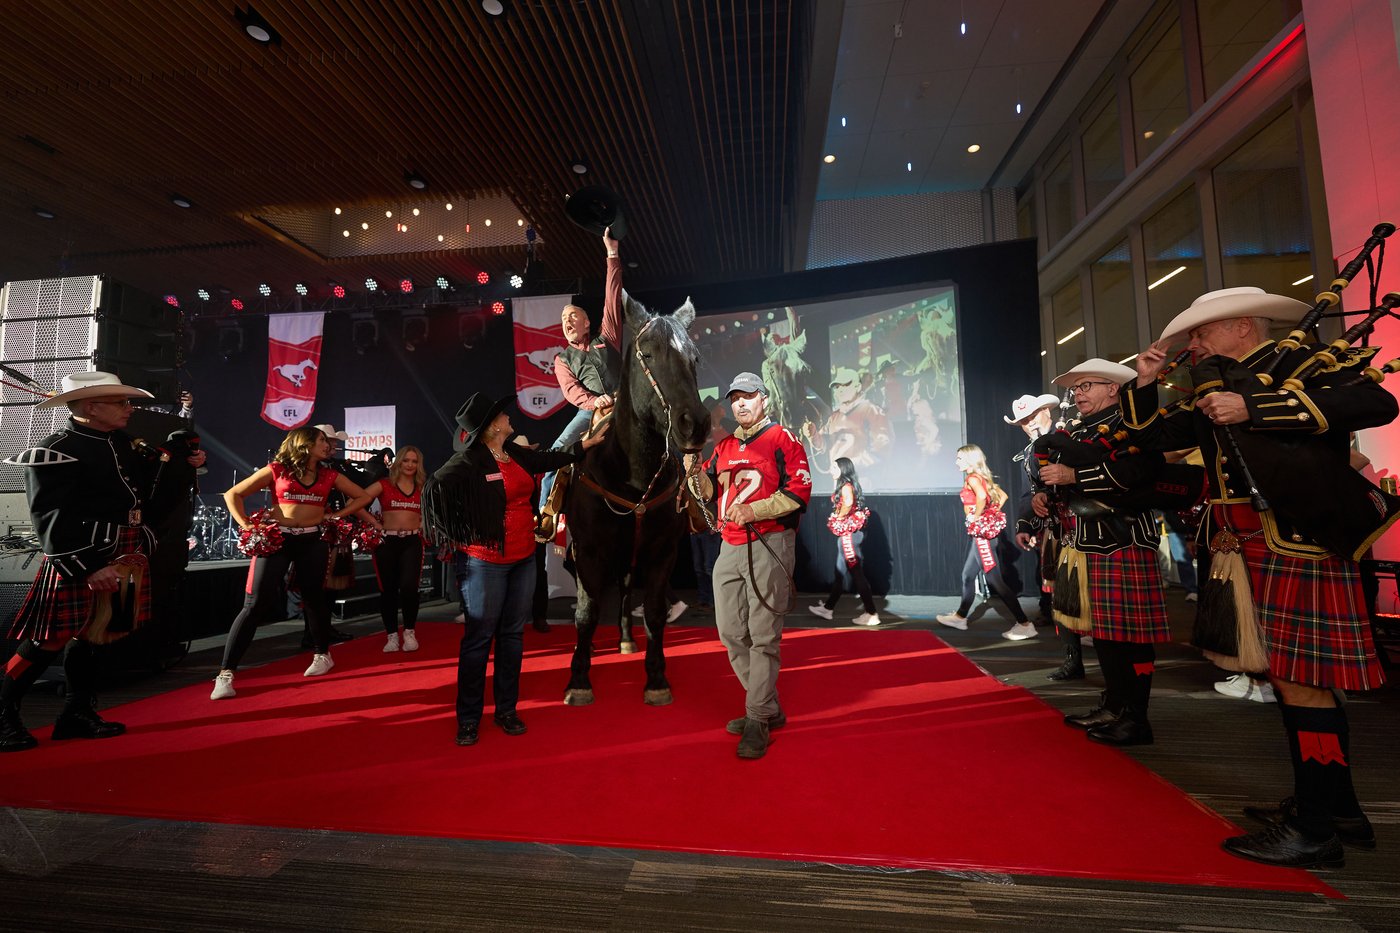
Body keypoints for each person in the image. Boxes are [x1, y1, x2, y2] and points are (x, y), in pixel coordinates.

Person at [1125, 286, 1394, 868]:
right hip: (1245, 540)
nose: (1193, 344)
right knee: (1295, 676)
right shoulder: (1211, 382)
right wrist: (1145, 382)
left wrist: (1256, 408)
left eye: (1202, 332)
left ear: (1242, 326)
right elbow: (1151, 441)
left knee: (1301, 680)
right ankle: (1336, 808)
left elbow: (1376, 405)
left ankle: (1316, 831)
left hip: (1298, 539)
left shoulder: (1299, 361)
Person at [1, 371, 204, 752]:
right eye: (120, 402)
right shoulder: (56, 449)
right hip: (85, 555)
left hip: (127, 552)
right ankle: (2, 713)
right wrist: (89, 565)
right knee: (50, 639)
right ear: (91, 407)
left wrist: (182, 464)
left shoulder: (123, 445)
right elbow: (50, 516)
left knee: (99, 631)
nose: (130, 409)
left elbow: (149, 500)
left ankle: (76, 713)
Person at [424, 392, 607, 748]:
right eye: (503, 415)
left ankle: (506, 710)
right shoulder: (471, 459)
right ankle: (469, 718)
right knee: (478, 641)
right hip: (485, 563)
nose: (509, 417)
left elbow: (547, 459)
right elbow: (434, 488)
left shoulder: (515, 454)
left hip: (523, 558)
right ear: (493, 426)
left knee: (511, 637)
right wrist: (461, 531)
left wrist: (585, 444)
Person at [1033, 359, 1172, 747]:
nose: (1078, 394)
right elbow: (1063, 477)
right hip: (1086, 540)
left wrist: (1074, 476)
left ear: (1113, 389)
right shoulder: (1079, 429)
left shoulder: (1132, 424)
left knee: (1133, 634)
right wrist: (1044, 495)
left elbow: (1139, 475)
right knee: (1107, 634)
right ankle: (1114, 705)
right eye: (1076, 389)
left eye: (1087, 386)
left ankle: (1136, 717)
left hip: (1124, 537)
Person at [686, 372, 812, 760]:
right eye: (735, 398)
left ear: (764, 400)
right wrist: (693, 474)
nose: (741, 403)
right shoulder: (723, 446)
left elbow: (798, 492)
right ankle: (767, 706)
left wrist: (753, 509)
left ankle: (757, 716)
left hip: (769, 543)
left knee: (763, 635)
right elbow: (711, 492)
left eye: (748, 396)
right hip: (729, 545)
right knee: (729, 632)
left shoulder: (783, 439)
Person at [210, 426, 375, 699]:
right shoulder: (277, 469)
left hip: (312, 541)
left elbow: (364, 496)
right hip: (278, 539)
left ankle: (322, 654)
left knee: (314, 598)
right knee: (254, 604)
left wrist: (335, 516)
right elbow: (233, 494)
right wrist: (248, 527)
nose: (328, 446)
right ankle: (226, 673)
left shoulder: (329, 474)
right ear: (305, 443)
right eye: (322, 441)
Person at [536, 228, 624, 535]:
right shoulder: (562, 359)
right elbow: (572, 392)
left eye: (573, 316)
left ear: (587, 322)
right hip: (590, 410)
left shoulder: (608, 337)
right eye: (563, 320)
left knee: (668, 436)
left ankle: (691, 497)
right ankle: (546, 512)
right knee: (557, 450)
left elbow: (612, 297)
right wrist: (594, 401)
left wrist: (612, 255)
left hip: (625, 404)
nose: (567, 322)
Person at [1007, 392, 1082, 678]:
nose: (1029, 424)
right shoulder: (1029, 452)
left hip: (1085, 526)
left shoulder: (1073, 433)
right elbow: (1031, 493)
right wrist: (1025, 524)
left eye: (1033, 416)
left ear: (1048, 412)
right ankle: (1072, 660)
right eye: (1023, 421)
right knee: (1059, 596)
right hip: (1055, 530)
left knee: (1086, 595)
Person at [936, 444, 1032, 638]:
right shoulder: (981, 478)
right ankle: (960, 617)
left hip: (983, 539)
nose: (956, 462)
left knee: (994, 580)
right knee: (967, 576)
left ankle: (1024, 623)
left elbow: (981, 497)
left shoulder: (972, 478)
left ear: (970, 460)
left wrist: (977, 516)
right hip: (981, 537)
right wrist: (990, 513)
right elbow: (1002, 496)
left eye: (960, 459)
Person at [358, 446, 426, 653]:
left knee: (409, 587)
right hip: (387, 543)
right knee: (388, 590)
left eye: (414, 461)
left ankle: (409, 632)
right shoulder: (384, 484)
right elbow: (357, 502)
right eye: (406, 461)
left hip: (412, 542)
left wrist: (424, 522)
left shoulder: (422, 486)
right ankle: (391, 636)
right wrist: (375, 523)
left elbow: (435, 509)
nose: (410, 465)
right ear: (398, 462)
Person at [809, 457, 880, 625]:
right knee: (839, 574)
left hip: (849, 536)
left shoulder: (846, 486)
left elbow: (847, 503)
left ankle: (871, 613)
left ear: (843, 468)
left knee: (857, 574)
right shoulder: (843, 485)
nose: (831, 470)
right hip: (847, 535)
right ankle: (828, 608)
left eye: (834, 467)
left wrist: (839, 518)